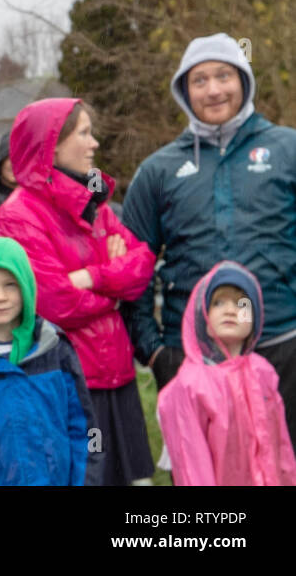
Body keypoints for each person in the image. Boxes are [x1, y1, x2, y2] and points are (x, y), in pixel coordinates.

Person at [122, 34, 296, 445]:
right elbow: (131, 271)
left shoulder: (288, 149)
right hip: (195, 359)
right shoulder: (157, 171)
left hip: (284, 346)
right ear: (184, 90)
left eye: (224, 75)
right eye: (199, 80)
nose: (214, 89)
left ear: (245, 81)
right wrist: (155, 352)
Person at [0, 98, 156, 485]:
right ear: (52, 144)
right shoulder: (18, 215)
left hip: (118, 374)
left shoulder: (94, 205)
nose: (94, 143)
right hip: (68, 381)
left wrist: (93, 277)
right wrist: (114, 287)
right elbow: (55, 301)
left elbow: (142, 265)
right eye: (84, 133)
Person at [0, 236, 99, 485]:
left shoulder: (57, 350)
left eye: (11, 284)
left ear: (27, 285)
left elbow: (86, 430)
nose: (0, 296)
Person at [156, 261, 296, 485]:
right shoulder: (191, 384)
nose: (230, 309)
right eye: (218, 302)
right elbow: (192, 465)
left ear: (255, 318)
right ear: (204, 317)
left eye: (241, 303)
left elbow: (281, 443)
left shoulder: (263, 372)